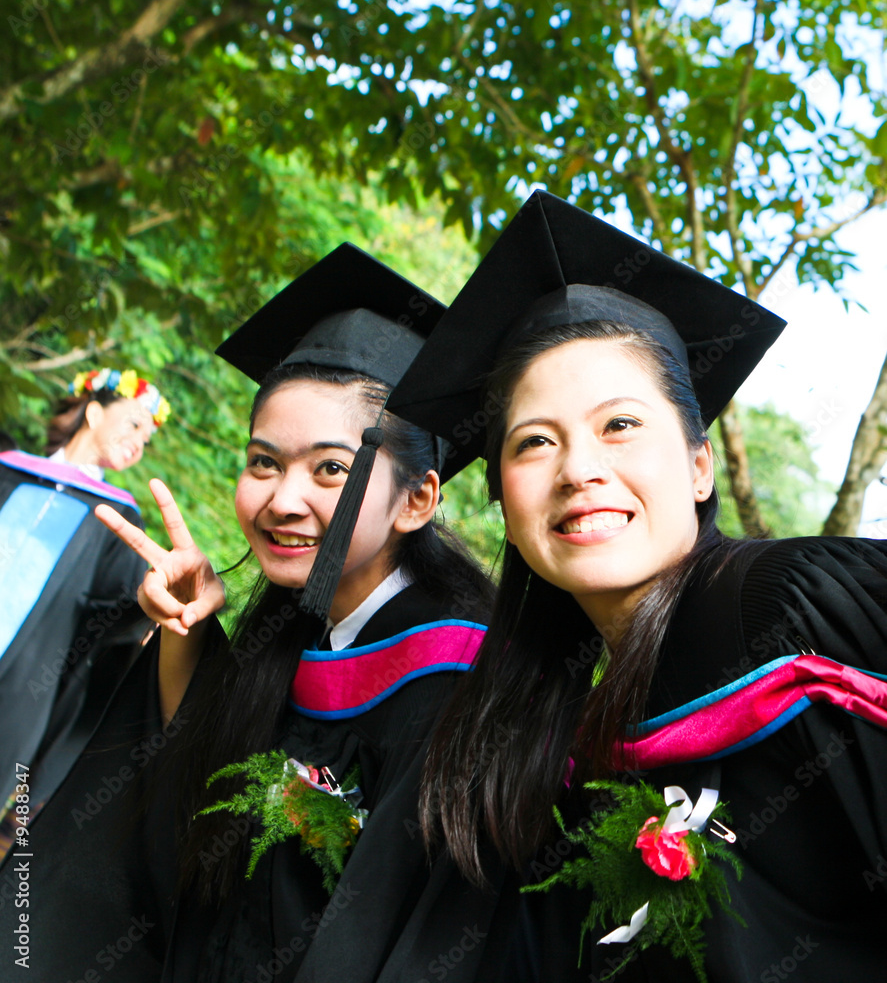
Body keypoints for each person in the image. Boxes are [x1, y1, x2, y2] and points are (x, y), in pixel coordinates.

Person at [388, 190, 887, 981]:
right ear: (501, 502)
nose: (579, 469)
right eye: (533, 442)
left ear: (697, 466)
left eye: (619, 425)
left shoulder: (798, 608)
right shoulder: (558, 729)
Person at [55, 244, 504, 983]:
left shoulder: (458, 679)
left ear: (417, 499)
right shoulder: (288, 643)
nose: (281, 499)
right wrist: (185, 630)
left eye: (331, 468)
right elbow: (175, 811)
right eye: (263, 462)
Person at [0, 368, 169, 825]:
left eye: (147, 439)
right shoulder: (9, 470)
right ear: (93, 412)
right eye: (134, 423)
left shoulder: (117, 517)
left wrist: (150, 603)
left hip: (18, 689)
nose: (139, 442)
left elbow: (116, 617)